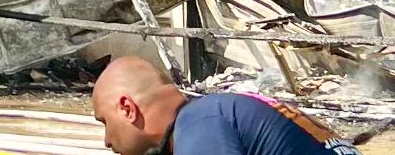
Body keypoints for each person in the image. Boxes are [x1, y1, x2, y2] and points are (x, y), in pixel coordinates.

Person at [90, 56, 358, 155]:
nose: (106, 141)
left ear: (127, 108)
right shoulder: (210, 115)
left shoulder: (200, 127)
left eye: (104, 122)